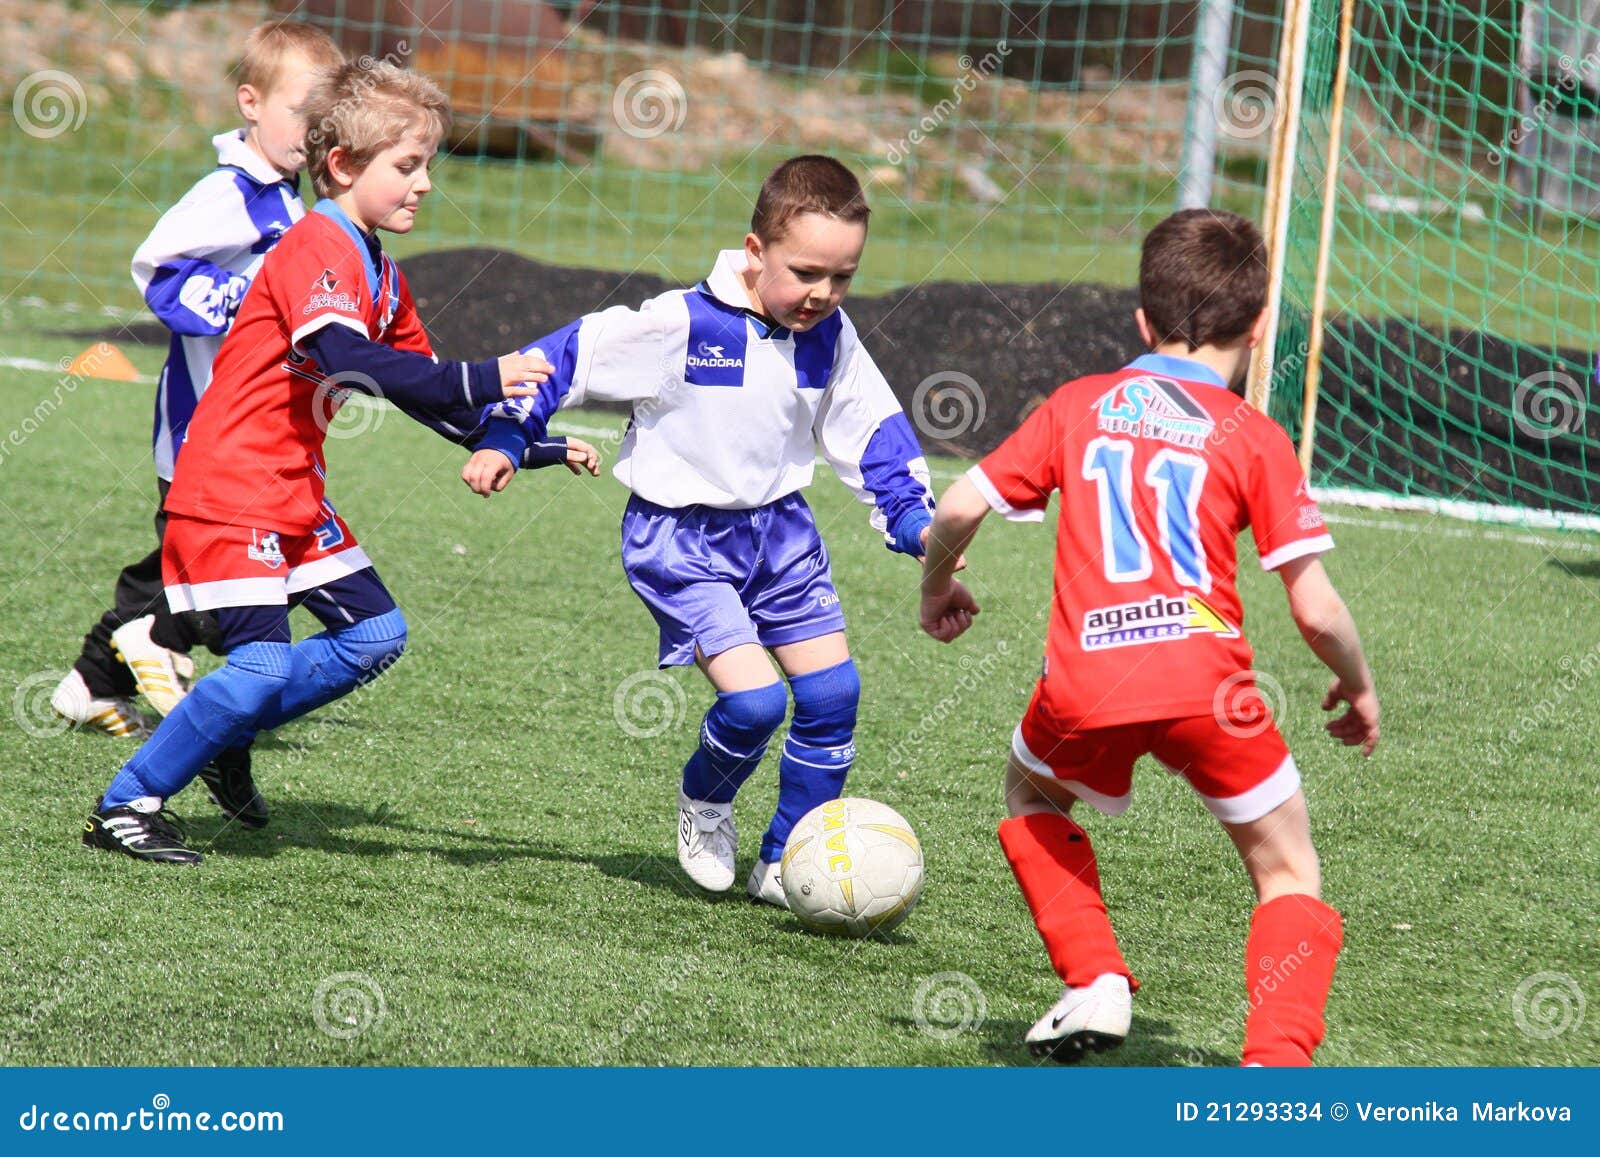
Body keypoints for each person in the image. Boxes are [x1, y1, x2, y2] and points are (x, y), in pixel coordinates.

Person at [80, 60, 597, 865]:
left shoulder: (381, 271)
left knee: (374, 634)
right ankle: (125, 802)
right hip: (227, 484)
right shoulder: (313, 246)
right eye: (407, 165)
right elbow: (343, 356)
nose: (424, 183)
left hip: (290, 488)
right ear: (344, 166)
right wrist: (484, 374)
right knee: (257, 664)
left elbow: (425, 388)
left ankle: (222, 733)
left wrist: (522, 443)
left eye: (428, 164)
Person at [917, 209, 1380, 1066]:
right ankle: (1275, 1066)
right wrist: (1359, 684)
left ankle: (1093, 977)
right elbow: (1315, 610)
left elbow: (955, 506)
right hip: (1215, 693)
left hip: (1084, 686)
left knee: (1030, 793)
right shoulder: (1257, 436)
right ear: (1258, 325)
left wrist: (937, 584)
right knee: (1286, 871)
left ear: (1141, 321)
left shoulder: (1077, 404)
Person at [471, 156, 938, 906]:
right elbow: (563, 357)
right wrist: (506, 434)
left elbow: (871, 428)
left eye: (843, 276)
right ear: (755, 254)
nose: (824, 293)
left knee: (833, 694)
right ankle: (706, 801)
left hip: (782, 537)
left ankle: (786, 862)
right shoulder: (680, 324)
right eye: (807, 271)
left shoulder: (829, 334)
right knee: (755, 705)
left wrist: (912, 516)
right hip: (680, 543)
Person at [50, 21, 345, 738]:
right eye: (298, 110)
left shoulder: (284, 196)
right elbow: (160, 268)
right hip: (209, 429)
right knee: (234, 566)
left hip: (250, 430)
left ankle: (90, 682)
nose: (311, 131)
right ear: (250, 101)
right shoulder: (232, 193)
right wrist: (250, 306)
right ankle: (163, 639)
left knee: (170, 565)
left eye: (323, 118)